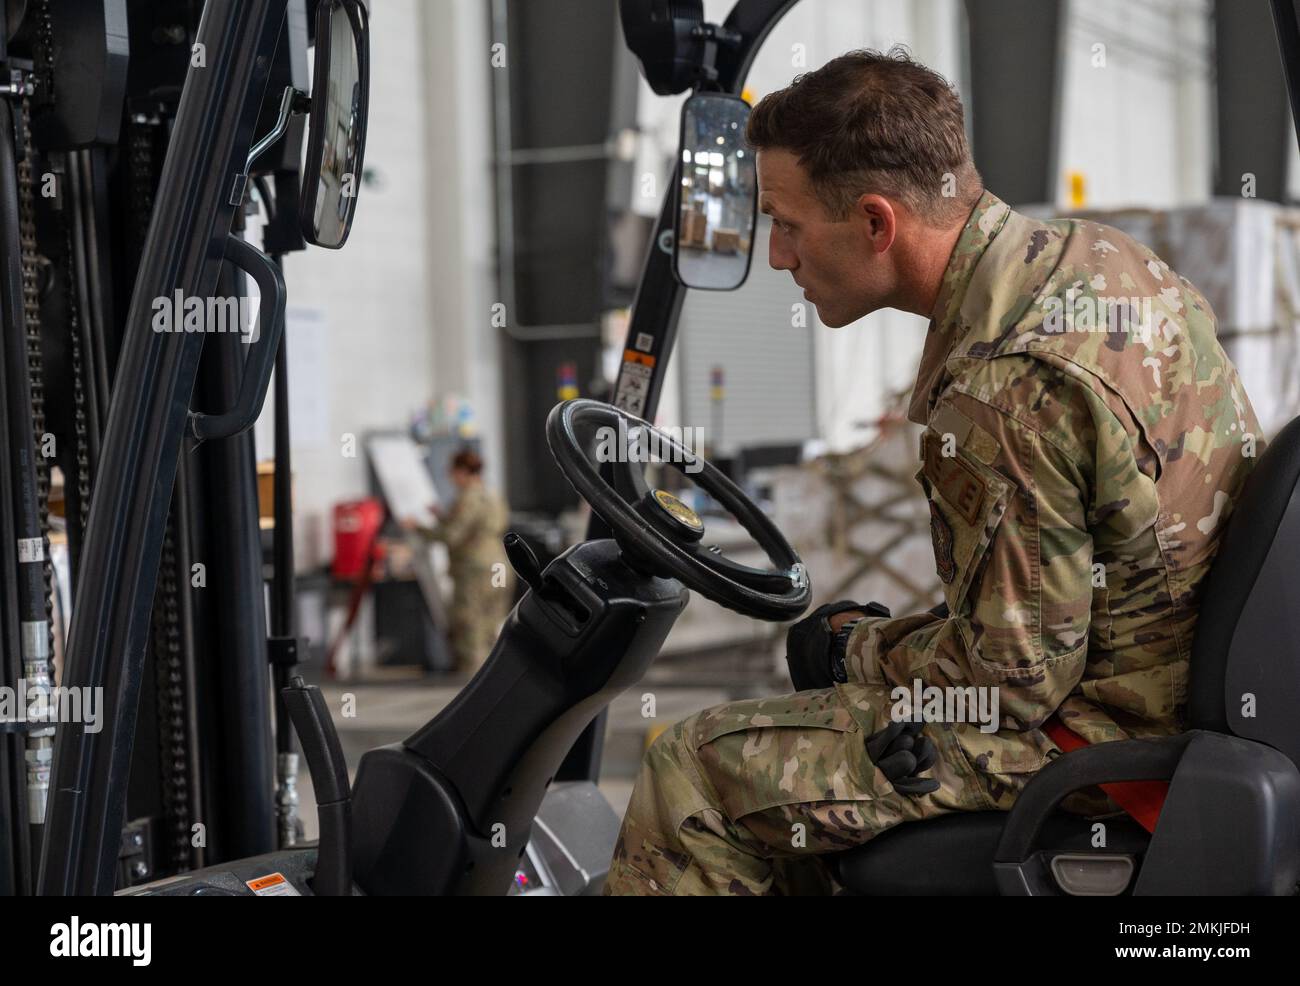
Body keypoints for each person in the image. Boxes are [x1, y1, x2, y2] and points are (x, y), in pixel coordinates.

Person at [603, 47, 1263, 895]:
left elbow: (1010, 684)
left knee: (694, 770)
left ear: (877, 223)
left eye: (788, 223)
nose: (777, 256)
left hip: (1102, 745)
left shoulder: (1004, 387)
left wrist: (855, 648)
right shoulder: (1108, 265)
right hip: (1166, 694)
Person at [404, 448, 513, 673]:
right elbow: (475, 526)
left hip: (474, 568)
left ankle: (470, 680)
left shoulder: (467, 496)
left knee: (469, 625)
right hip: (498, 563)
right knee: (492, 626)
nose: (450, 477)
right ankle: (494, 678)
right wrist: (442, 516)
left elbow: (452, 536)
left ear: (463, 471)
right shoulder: (491, 493)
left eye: (452, 472)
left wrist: (419, 528)